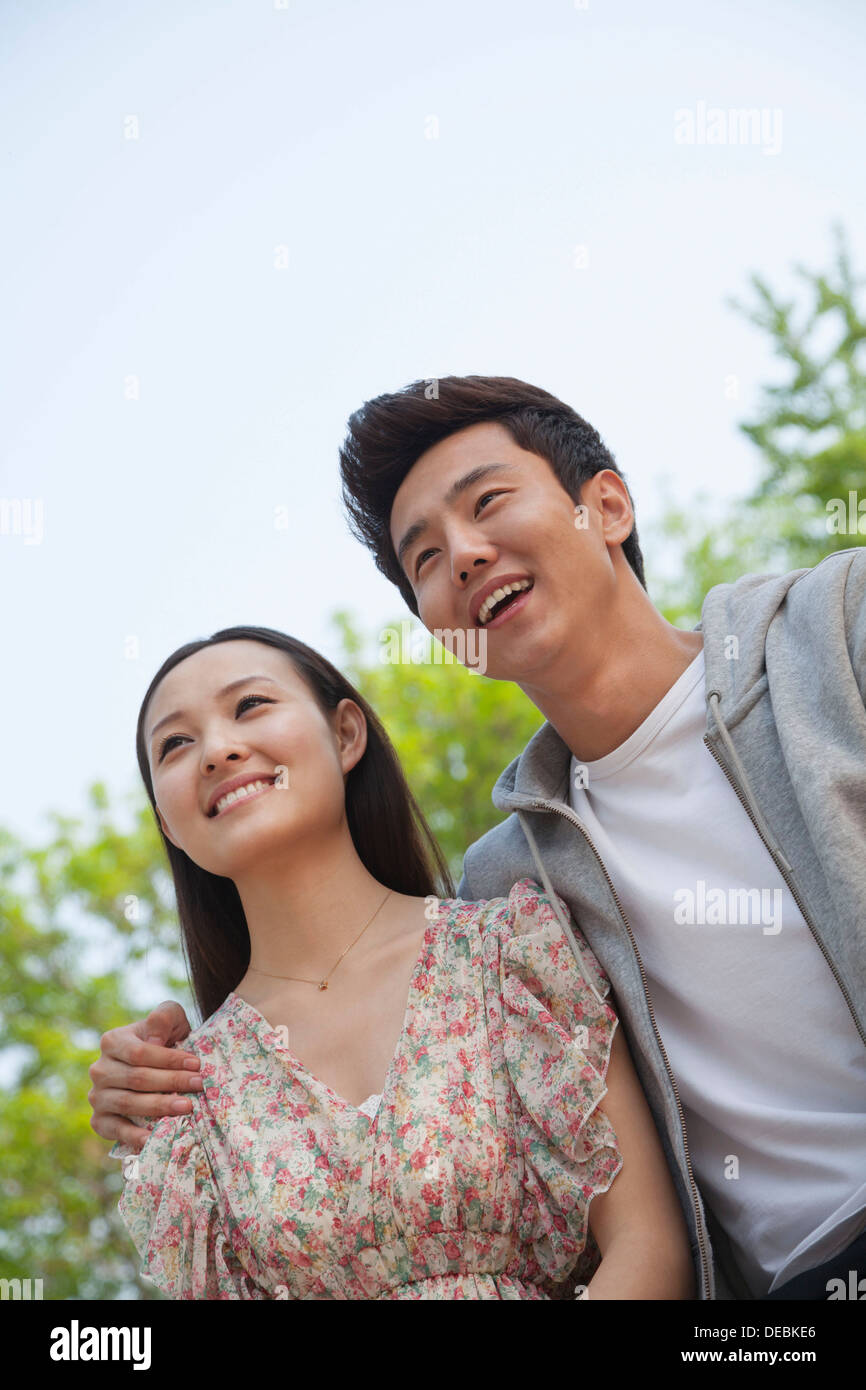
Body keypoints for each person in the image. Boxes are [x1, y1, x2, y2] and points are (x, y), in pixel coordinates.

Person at [91, 375, 866, 1302]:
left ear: (606, 506)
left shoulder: (837, 637)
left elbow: (639, 1245)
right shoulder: (513, 880)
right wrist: (136, 1076)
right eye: (422, 558)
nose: (461, 554)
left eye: (488, 501)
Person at [102, 622, 694, 1299]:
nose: (217, 749)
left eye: (251, 705)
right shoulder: (185, 1103)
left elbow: (647, 1244)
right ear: (167, 824)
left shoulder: (511, 957)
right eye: (175, 744)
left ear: (347, 734)